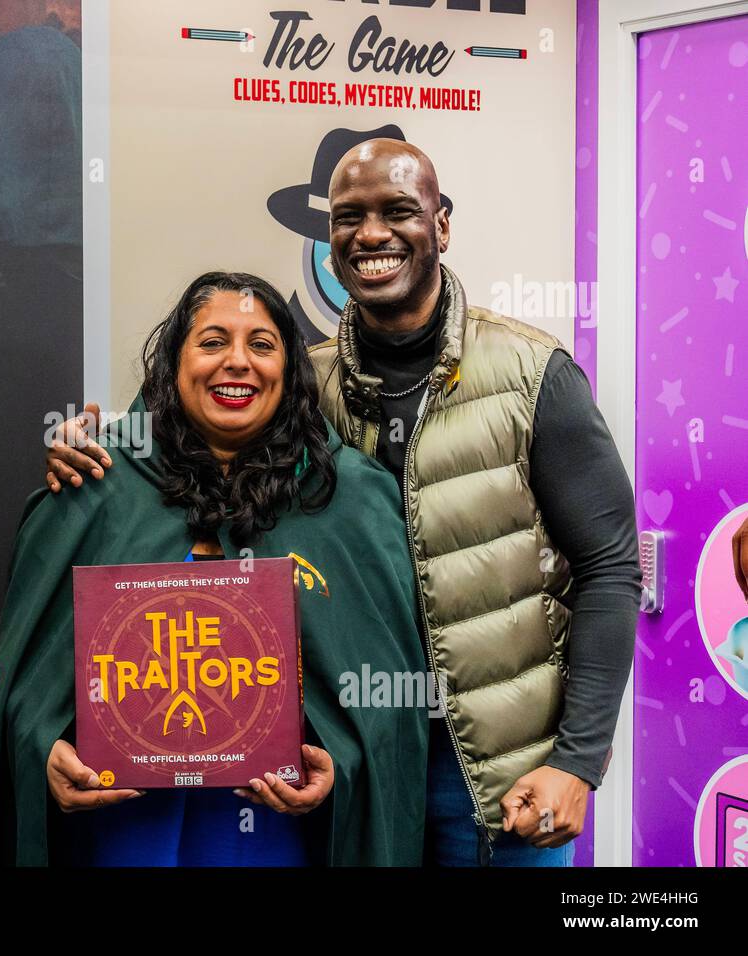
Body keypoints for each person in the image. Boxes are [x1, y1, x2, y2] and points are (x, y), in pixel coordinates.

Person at [45, 139, 641, 867]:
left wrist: (577, 761)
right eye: (349, 217)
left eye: (398, 212)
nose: (372, 235)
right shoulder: (305, 384)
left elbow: (611, 568)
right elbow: (190, 453)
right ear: (328, 243)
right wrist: (94, 446)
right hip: (353, 746)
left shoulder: (530, 373)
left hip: (494, 770)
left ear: (441, 224)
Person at [0, 271, 428, 866]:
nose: (237, 362)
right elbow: (24, 694)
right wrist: (43, 753)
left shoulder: (353, 503)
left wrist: (338, 766)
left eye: (262, 345)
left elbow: (391, 710)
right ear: (174, 363)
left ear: (290, 372)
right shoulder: (91, 489)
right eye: (212, 342)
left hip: (279, 838)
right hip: (122, 834)